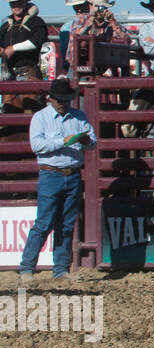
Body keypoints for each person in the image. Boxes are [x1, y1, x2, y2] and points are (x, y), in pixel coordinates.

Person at [17, 77, 97, 285]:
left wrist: (85, 140)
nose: (63, 104)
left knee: (66, 224)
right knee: (44, 222)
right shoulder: (40, 118)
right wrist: (65, 141)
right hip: (51, 173)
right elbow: (37, 146)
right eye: (60, 100)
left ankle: (59, 269)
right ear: (50, 99)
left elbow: (92, 142)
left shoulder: (78, 116)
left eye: (66, 100)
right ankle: (27, 267)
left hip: (70, 174)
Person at [68, 0, 129, 68]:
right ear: (90, 6)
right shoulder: (81, 20)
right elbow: (76, 36)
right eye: (96, 6)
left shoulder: (110, 25)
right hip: (78, 66)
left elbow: (126, 39)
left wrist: (112, 21)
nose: (99, 10)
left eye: (102, 7)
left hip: (101, 67)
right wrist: (91, 20)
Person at [1, 0, 48, 82]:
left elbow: (36, 41)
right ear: (10, 5)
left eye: (19, 2)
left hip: (30, 73)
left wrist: (13, 48)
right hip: (8, 75)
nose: (16, 6)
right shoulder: (5, 26)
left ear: (26, 1)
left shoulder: (36, 22)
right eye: (13, 3)